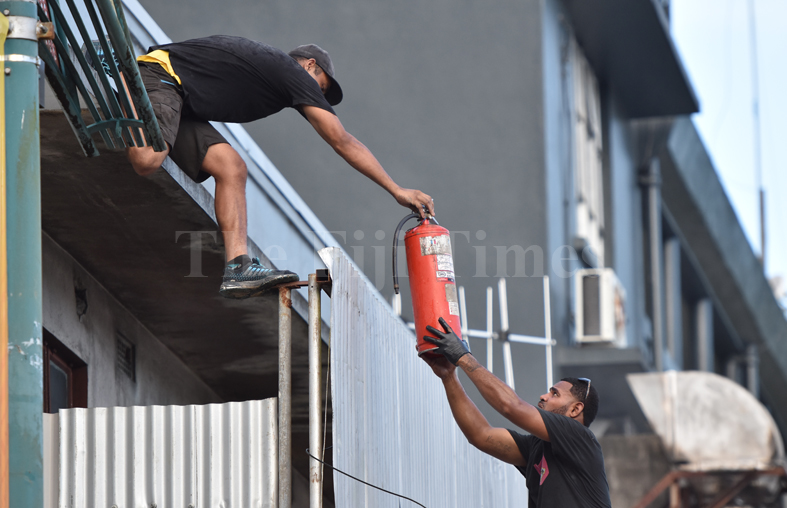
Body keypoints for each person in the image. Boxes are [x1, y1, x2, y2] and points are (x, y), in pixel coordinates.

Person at [126, 35, 434, 298]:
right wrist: (396, 189)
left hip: (183, 102)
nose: (318, 96)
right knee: (146, 159)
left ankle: (238, 268)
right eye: (321, 87)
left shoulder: (273, 78)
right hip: (160, 78)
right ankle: (121, 81)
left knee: (232, 167)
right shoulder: (291, 73)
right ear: (310, 65)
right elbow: (342, 141)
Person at [422, 317, 611, 508]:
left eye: (555, 394)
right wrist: (448, 376)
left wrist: (463, 357)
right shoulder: (538, 447)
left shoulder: (579, 438)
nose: (544, 396)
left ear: (575, 409)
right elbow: (480, 435)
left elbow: (511, 407)